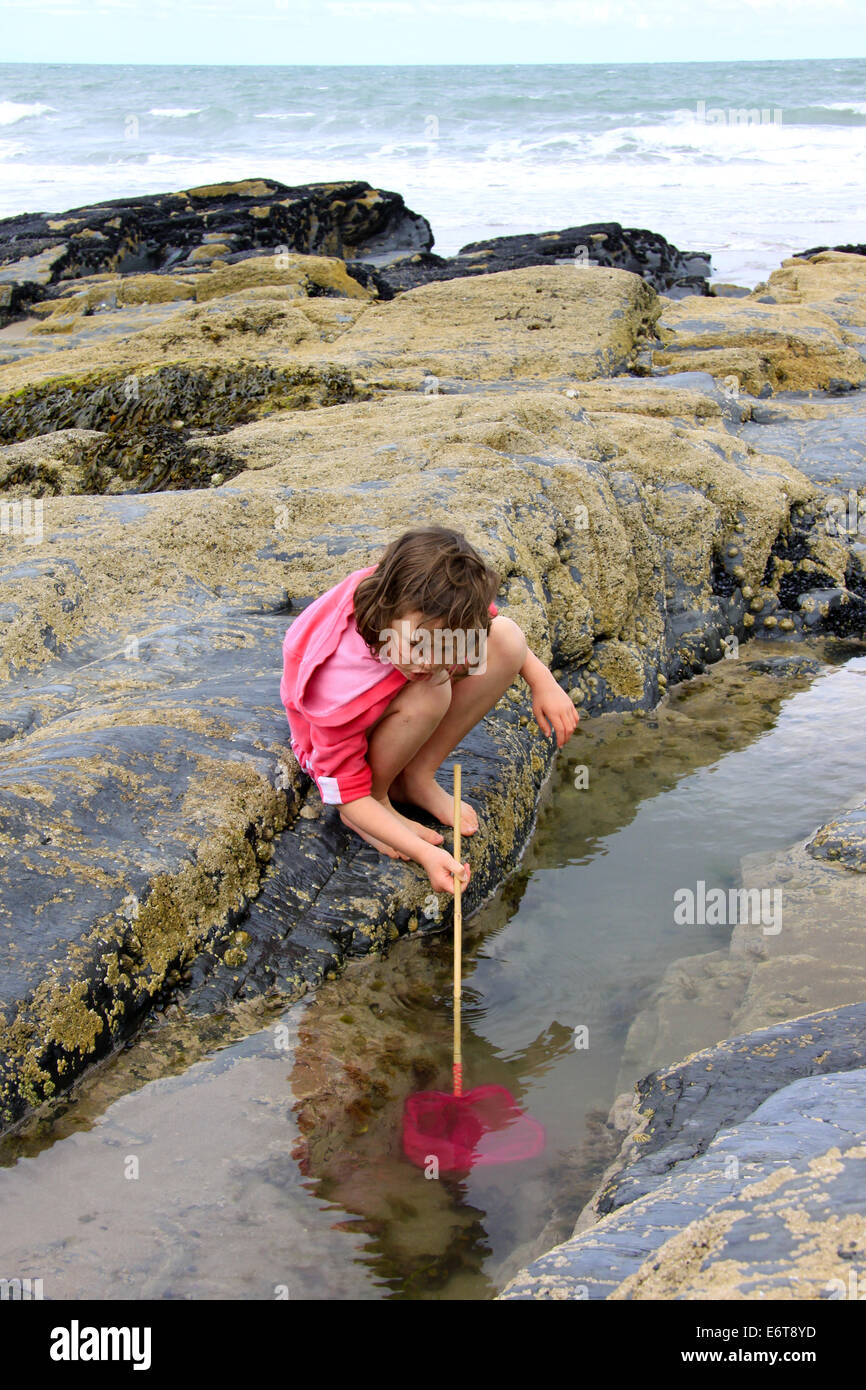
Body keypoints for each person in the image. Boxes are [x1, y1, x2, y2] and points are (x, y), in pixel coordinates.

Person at [280, 526, 579, 896]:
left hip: (388, 678)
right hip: (330, 747)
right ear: (388, 609)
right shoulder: (337, 684)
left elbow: (489, 629)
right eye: (418, 644)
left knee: (506, 639)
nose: (427, 661)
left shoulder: (433, 604)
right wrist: (423, 853)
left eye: (443, 646)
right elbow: (341, 788)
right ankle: (378, 798)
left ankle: (415, 777)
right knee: (431, 692)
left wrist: (542, 681)